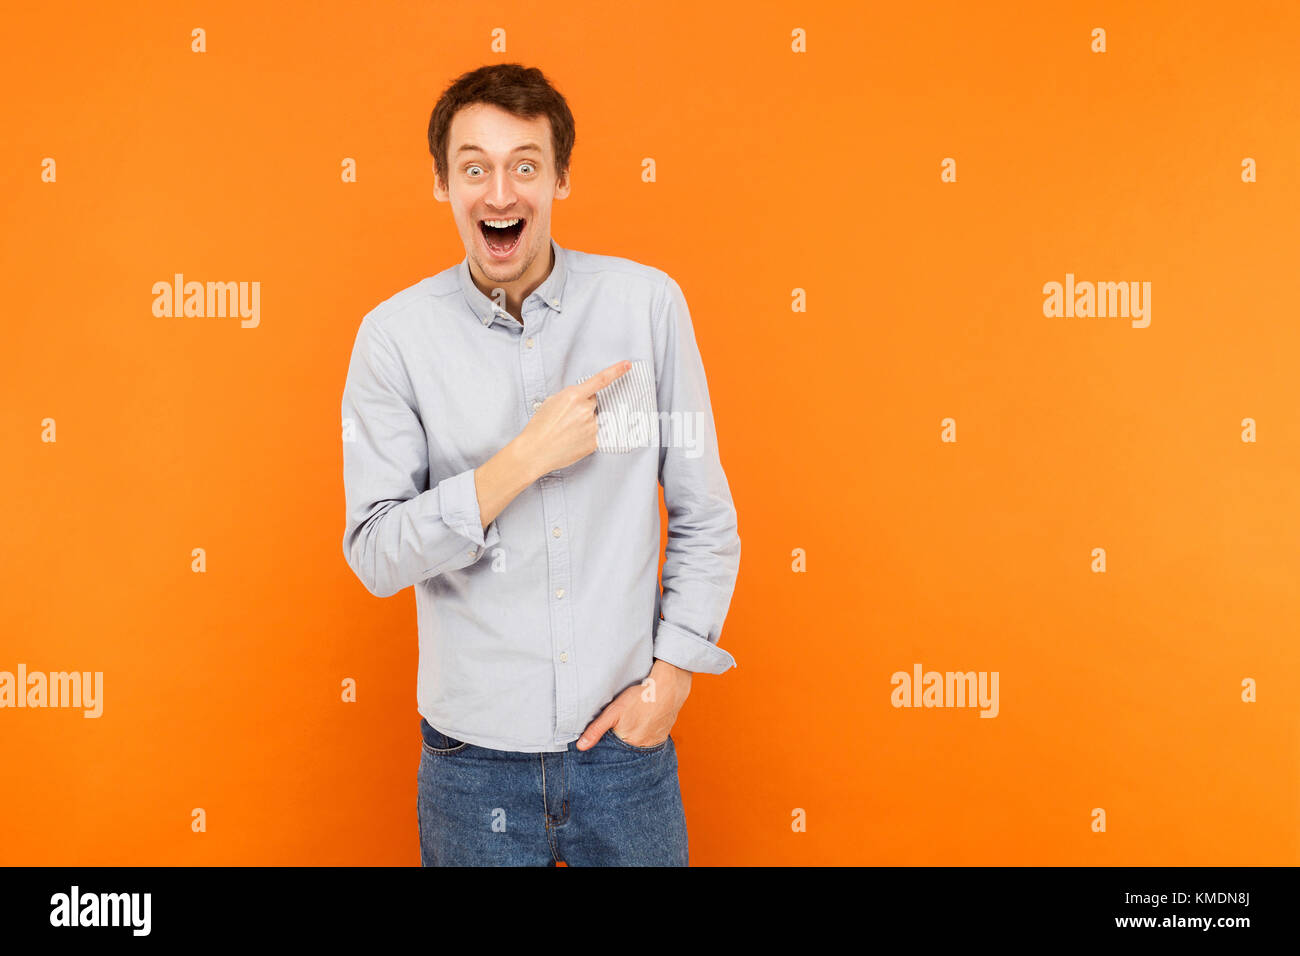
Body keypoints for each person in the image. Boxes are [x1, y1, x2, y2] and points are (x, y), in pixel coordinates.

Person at [340, 63, 741, 866]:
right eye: (474, 167)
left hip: (625, 758)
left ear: (560, 177)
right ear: (442, 183)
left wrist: (671, 680)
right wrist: (520, 461)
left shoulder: (646, 308)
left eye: (525, 164)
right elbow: (376, 554)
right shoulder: (392, 341)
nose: (500, 193)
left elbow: (704, 513)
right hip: (470, 768)